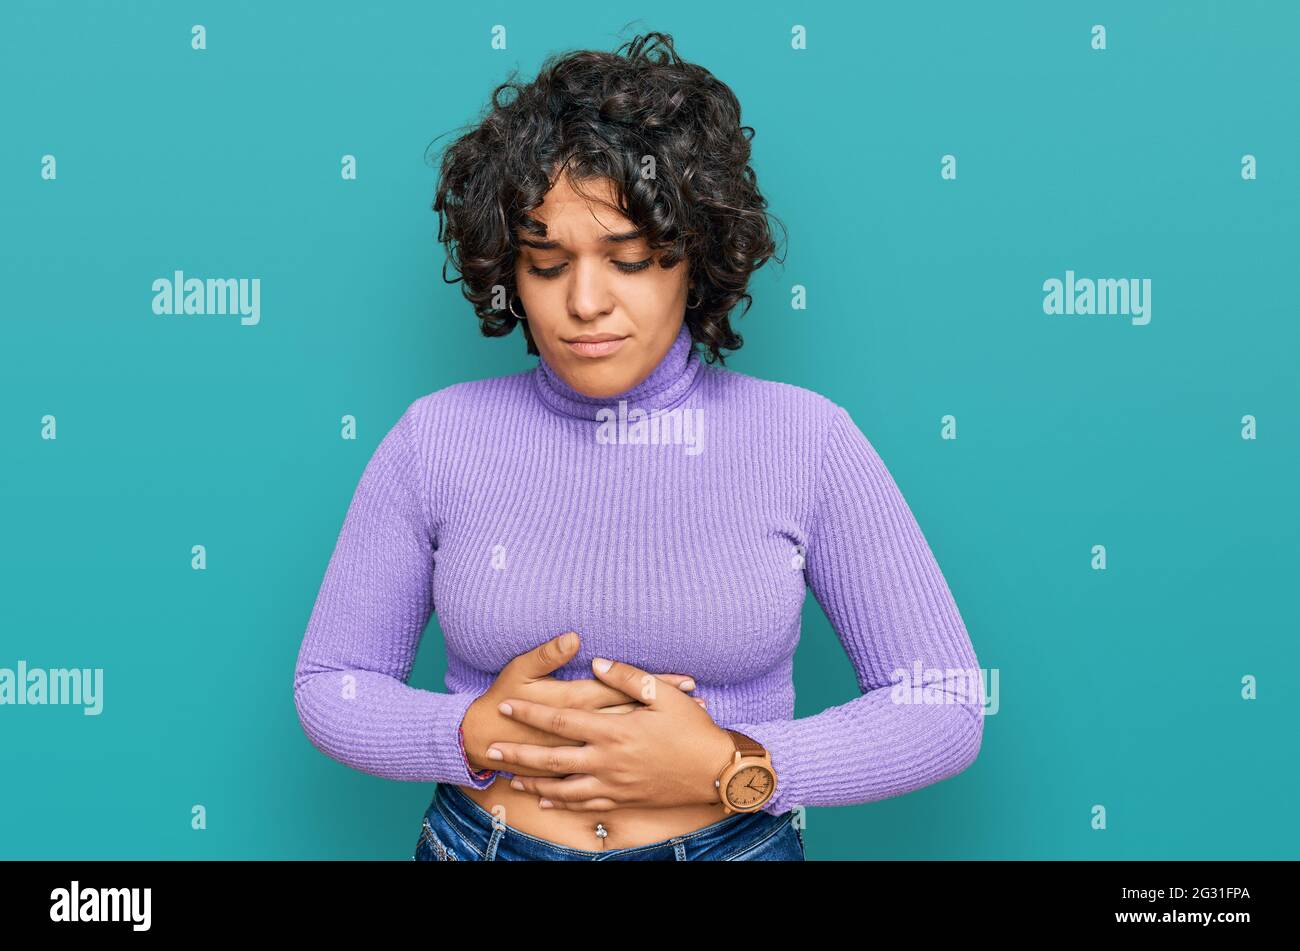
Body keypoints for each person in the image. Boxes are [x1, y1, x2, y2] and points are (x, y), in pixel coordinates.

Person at [293, 31, 983, 862]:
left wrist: (738, 764)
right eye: (546, 265)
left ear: (695, 258)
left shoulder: (808, 440)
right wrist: (468, 731)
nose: (586, 301)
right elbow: (329, 684)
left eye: (627, 259)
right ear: (508, 272)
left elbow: (943, 702)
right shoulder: (435, 438)